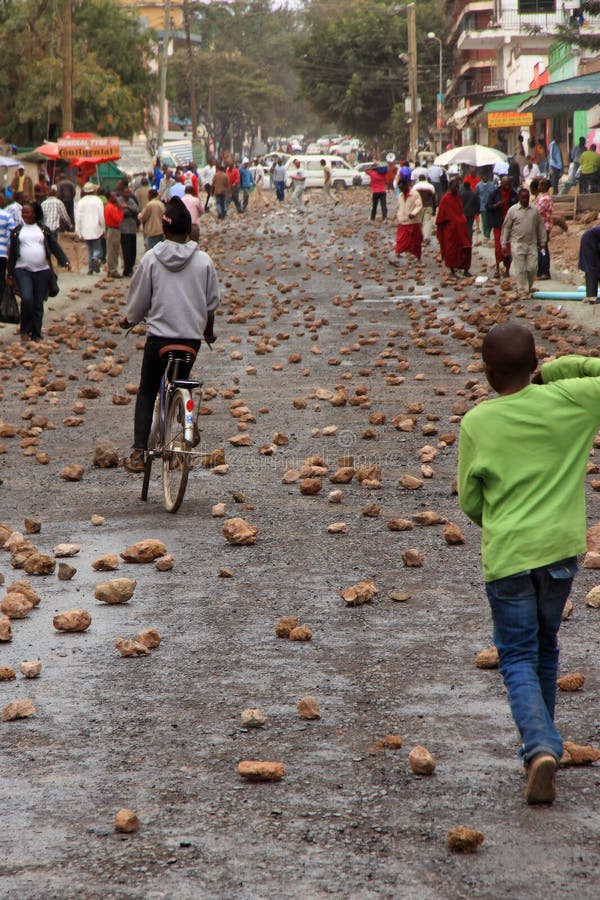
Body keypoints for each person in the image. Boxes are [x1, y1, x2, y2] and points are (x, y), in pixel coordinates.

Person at [458, 321, 600, 804]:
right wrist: (560, 369)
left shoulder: (478, 422)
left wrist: (497, 522)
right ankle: (544, 745)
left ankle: (539, 745)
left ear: (487, 372)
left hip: (508, 557)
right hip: (560, 554)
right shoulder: (572, 402)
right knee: (545, 647)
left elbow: (469, 501)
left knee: (516, 654)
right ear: (536, 363)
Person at [120, 196, 220, 473]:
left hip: (159, 340)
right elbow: (211, 305)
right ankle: (184, 411)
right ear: (189, 230)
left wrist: (129, 319)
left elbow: (139, 300)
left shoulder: (152, 258)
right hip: (190, 341)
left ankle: (139, 452)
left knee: (147, 391)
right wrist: (208, 333)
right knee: (180, 380)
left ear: (164, 230)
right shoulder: (203, 261)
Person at [6, 201, 71, 342]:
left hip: (42, 271)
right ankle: (24, 331)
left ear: (35, 213)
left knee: (38, 303)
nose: (25, 215)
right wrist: (10, 274)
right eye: (23, 212)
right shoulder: (17, 231)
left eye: (27, 212)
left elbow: (54, 246)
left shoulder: (43, 230)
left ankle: (36, 334)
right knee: (27, 299)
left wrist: (64, 260)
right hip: (22, 270)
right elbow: (12, 255)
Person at [500, 186, 546, 300]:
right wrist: (504, 243)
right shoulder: (512, 210)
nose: (525, 200)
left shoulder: (535, 211)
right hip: (517, 243)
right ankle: (522, 291)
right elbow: (506, 228)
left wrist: (543, 241)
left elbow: (540, 227)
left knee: (532, 268)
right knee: (520, 269)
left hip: (532, 244)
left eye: (527, 198)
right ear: (519, 198)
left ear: (529, 198)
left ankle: (528, 286)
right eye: (522, 198)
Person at [435, 176, 472, 276]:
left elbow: (460, 211)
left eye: (457, 187)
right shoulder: (445, 199)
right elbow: (440, 217)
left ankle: (465, 269)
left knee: (466, 247)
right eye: (455, 187)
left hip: (461, 228)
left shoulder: (458, 197)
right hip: (450, 229)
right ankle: (452, 270)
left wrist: (462, 220)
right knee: (451, 250)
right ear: (450, 187)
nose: (456, 189)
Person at [486, 176, 518, 279]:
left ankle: (507, 270)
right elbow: (488, 206)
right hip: (498, 225)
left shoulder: (514, 194)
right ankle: (497, 268)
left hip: (510, 226)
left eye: (509, 184)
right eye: (505, 184)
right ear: (501, 184)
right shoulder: (494, 194)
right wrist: (496, 205)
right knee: (498, 247)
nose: (507, 186)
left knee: (508, 248)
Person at [391, 178, 422, 265]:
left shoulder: (415, 194)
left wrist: (413, 213)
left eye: (402, 187)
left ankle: (418, 257)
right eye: (399, 188)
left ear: (406, 186)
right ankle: (396, 257)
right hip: (402, 222)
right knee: (400, 240)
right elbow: (400, 207)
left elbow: (419, 205)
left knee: (415, 242)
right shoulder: (400, 196)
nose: (401, 190)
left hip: (413, 222)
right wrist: (398, 216)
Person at [75, 182, 105, 274]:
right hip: (96, 228)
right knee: (97, 248)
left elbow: (78, 218)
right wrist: (103, 227)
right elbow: (101, 216)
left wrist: (78, 231)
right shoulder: (98, 200)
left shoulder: (80, 202)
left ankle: (90, 269)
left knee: (89, 249)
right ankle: (95, 258)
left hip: (85, 229)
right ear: (93, 191)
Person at [534, 178, 553, 280]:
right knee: (541, 248)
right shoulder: (541, 197)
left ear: (545, 186)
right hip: (540, 227)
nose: (539, 187)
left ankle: (544, 271)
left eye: (541, 185)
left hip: (544, 227)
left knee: (543, 249)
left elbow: (536, 211)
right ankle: (541, 270)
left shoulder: (545, 199)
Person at [119, 187, 139, 277]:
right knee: (126, 250)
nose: (128, 194)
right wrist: (130, 212)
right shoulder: (119, 201)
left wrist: (127, 208)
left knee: (132, 250)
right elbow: (120, 213)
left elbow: (136, 210)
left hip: (132, 228)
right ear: (122, 193)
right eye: (126, 193)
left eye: (129, 192)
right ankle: (127, 270)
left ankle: (130, 268)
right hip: (123, 229)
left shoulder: (131, 200)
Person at [104, 191, 124, 277]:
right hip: (114, 230)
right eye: (113, 196)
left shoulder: (108, 206)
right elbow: (118, 219)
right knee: (114, 251)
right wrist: (120, 209)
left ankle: (110, 269)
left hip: (111, 230)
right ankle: (113, 270)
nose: (115, 198)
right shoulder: (111, 207)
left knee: (111, 250)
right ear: (109, 198)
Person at [578, 224, 600, 302]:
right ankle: (592, 297)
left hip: (589, 239)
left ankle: (590, 295)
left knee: (591, 268)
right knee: (593, 267)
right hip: (590, 240)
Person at [413, 175, 436, 245]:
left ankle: (419, 237)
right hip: (428, 205)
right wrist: (434, 209)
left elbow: (413, 198)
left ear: (419, 179)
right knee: (427, 222)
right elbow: (434, 199)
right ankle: (426, 238)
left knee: (419, 222)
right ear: (425, 179)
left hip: (418, 206)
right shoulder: (430, 186)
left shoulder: (415, 187)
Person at [0, 193, 16, 285]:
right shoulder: (7, 216)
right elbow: (12, 233)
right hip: (2, 253)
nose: (5, 202)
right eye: (3, 200)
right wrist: (10, 251)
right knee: (1, 278)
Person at [475, 172, 495, 241]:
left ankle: (488, 233)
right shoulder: (478, 186)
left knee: (490, 221)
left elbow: (495, 194)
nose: (485, 178)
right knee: (485, 221)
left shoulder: (492, 185)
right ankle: (486, 235)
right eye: (483, 176)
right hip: (483, 207)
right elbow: (476, 195)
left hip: (491, 206)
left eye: (486, 176)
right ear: (481, 177)